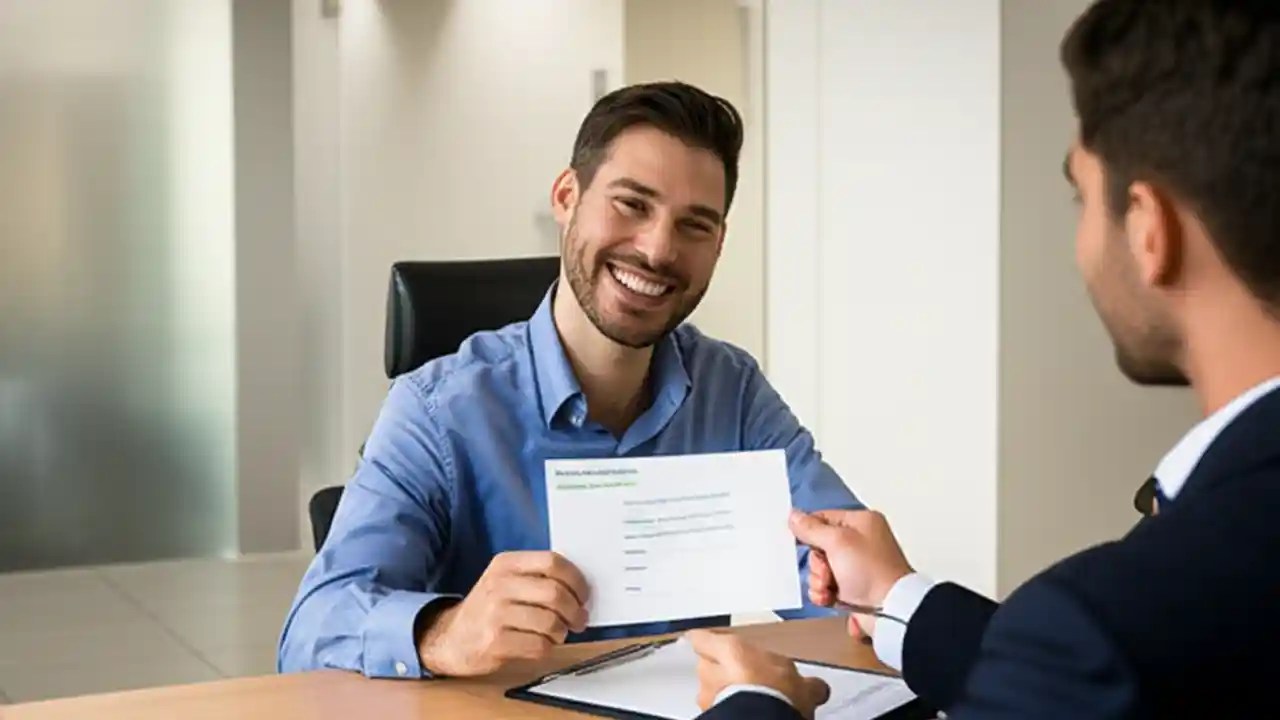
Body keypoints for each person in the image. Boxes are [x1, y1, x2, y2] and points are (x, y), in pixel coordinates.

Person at [690, 0, 1280, 717]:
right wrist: (900, 597)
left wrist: (759, 703)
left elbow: (1097, 667)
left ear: (1150, 231)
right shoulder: (1132, 621)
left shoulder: (1110, 621)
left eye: (1080, 197)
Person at [278, 81, 861, 679]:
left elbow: (835, 583)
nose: (658, 249)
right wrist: (443, 631)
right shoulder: (436, 409)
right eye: (632, 204)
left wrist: (869, 587)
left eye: (695, 225)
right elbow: (311, 631)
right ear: (566, 196)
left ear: (718, 244)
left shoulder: (732, 391)